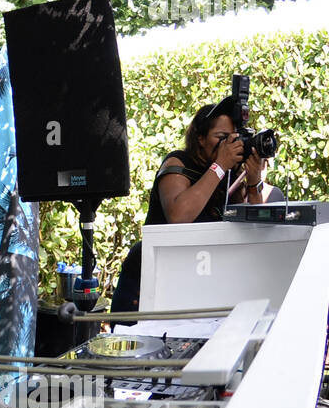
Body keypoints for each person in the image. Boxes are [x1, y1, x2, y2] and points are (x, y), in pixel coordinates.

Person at [111, 95, 286, 315]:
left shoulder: (227, 175)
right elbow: (178, 216)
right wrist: (220, 165)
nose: (228, 145)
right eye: (221, 137)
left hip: (191, 281)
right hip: (146, 282)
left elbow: (252, 229)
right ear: (200, 138)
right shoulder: (178, 162)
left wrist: (253, 182)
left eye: (233, 138)